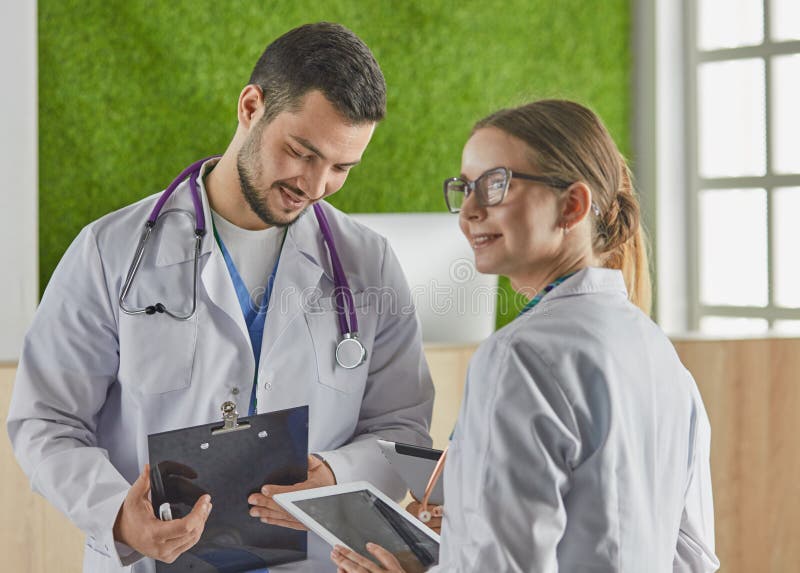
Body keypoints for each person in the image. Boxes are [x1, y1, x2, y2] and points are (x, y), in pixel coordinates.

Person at [7, 22, 434, 572]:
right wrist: (117, 514)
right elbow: (47, 420)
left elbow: (401, 428)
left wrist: (332, 473)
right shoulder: (109, 251)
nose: (316, 183)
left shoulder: (366, 264)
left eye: (341, 168)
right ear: (251, 107)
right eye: (302, 152)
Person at [331, 100, 719, 572]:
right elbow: (693, 559)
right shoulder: (662, 356)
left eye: (496, 185)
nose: (469, 211)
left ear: (572, 205)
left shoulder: (519, 356)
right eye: (465, 188)